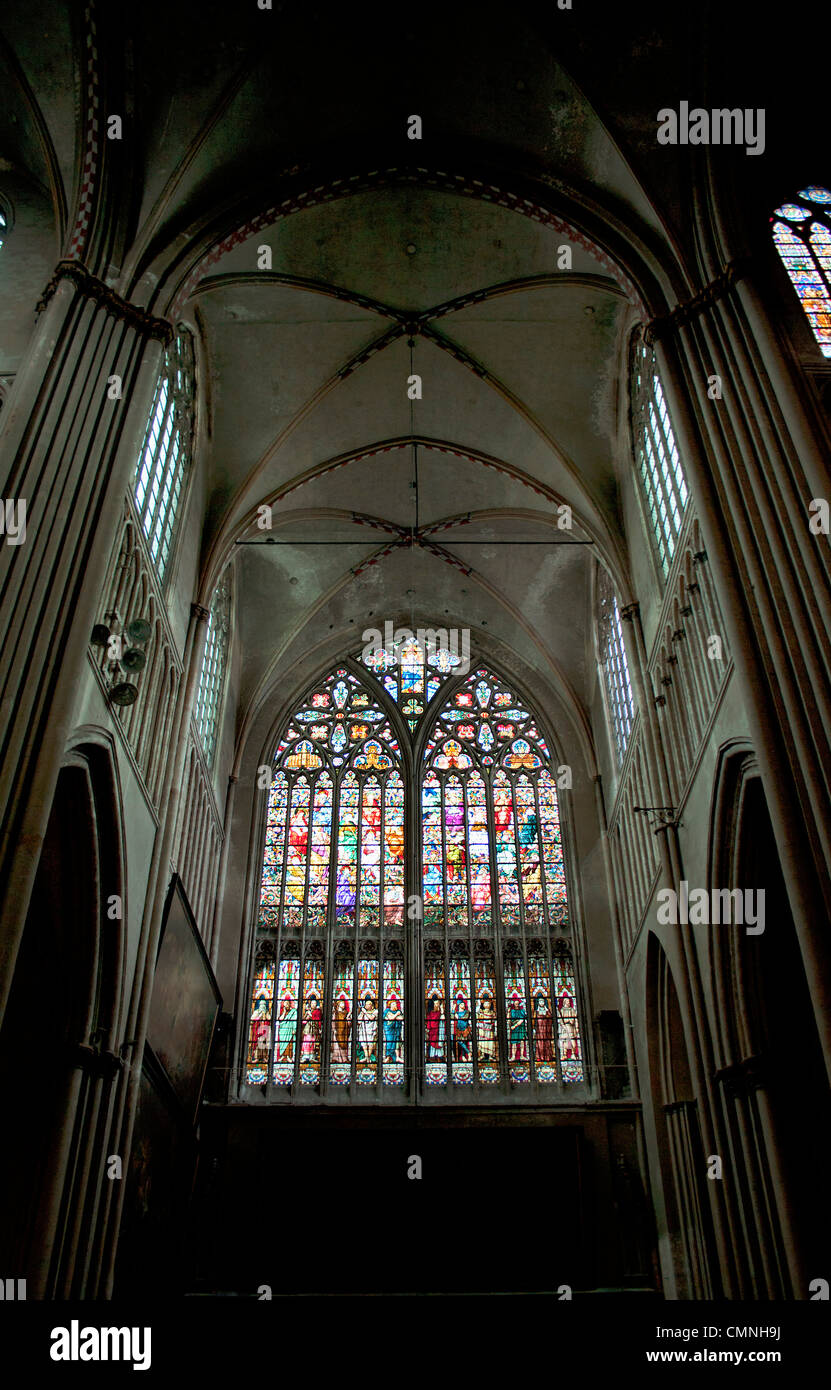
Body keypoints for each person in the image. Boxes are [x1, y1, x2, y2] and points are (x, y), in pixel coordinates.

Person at [534, 996, 554, 1063]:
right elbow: (534, 1021)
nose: (541, 1003)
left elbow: (551, 1019)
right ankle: (539, 1057)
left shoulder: (547, 1011)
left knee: (547, 1043)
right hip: (539, 1030)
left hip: (546, 1030)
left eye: (542, 1001)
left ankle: (547, 1056)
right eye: (540, 1001)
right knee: (540, 1043)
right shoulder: (536, 1011)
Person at [331, 997, 351, 1064]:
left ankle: (344, 1058)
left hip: (344, 1030)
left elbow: (349, 1023)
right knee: (336, 1045)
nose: (343, 1005)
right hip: (337, 1030)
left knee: (344, 1045)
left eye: (344, 1003)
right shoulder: (336, 1013)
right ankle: (336, 1058)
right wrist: (334, 1029)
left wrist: (348, 1020)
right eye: (342, 1003)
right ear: (338, 1004)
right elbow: (333, 1022)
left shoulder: (346, 1013)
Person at [477, 995, 496, 1062]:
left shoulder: (492, 1012)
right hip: (482, 1029)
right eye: (485, 1003)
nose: (487, 1004)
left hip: (490, 1029)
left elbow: (494, 1020)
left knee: (490, 1042)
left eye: (488, 1003)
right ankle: (482, 1054)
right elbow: (478, 1018)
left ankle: (491, 1055)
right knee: (482, 1042)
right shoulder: (481, 1011)